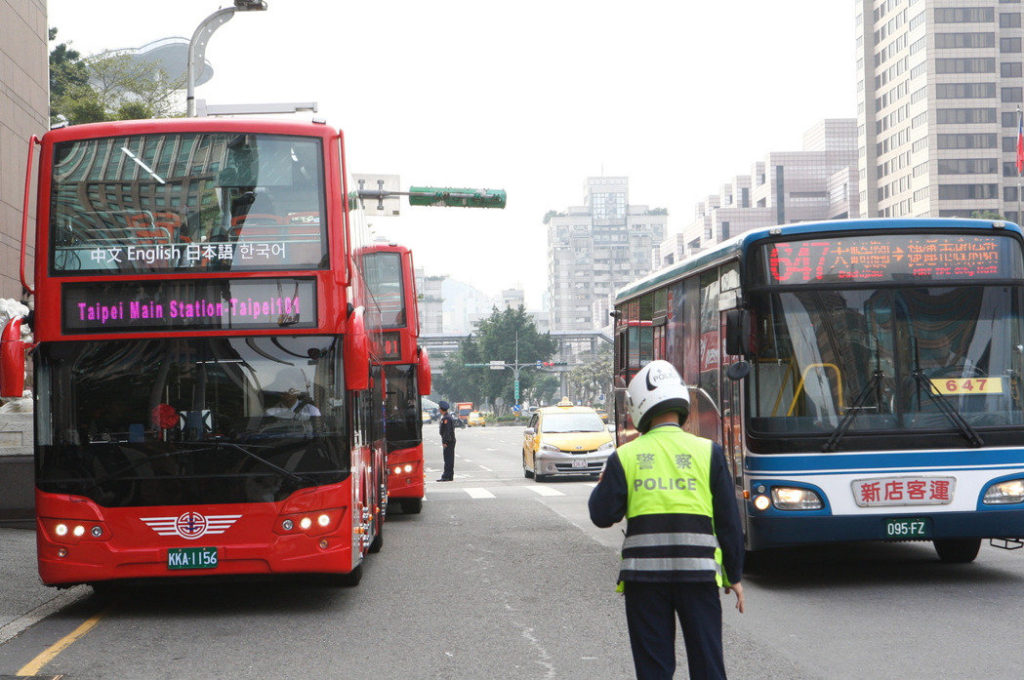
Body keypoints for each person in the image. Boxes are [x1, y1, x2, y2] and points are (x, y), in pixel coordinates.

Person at [588, 360, 744, 680]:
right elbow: (728, 522)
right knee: (708, 664)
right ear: (681, 402)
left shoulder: (625, 456)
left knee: (654, 670)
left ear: (638, 407)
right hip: (698, 577)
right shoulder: (709, 452)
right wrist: (733, 575)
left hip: (643, 582)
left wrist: (606, 481)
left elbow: (602, 515)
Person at [437, 401, 456, 481]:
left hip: (449, 441)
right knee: (449, 459)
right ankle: (450, 476)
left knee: (448, 459)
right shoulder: (447, 417)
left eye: (439, 408)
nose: (438, 410)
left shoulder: (446, 418)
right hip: (450, 440)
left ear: (442, 409)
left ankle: (446, 476)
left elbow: (447, 431)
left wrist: (445, 442)